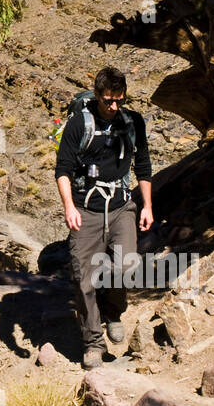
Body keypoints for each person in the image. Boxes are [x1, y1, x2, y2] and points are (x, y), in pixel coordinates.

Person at [53, 67, 153, 368]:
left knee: (124, 265)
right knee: (84, 279)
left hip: (122, 206)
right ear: (97, 95)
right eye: (108, 100)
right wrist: (69, 207)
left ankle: (113, 311)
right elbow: (63, 170)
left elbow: (143, 166)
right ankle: (93, 343)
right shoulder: (78, 125)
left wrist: (147, 206)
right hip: (86, 209)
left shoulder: (132, 122)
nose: (113, 107)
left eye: (119, 101)